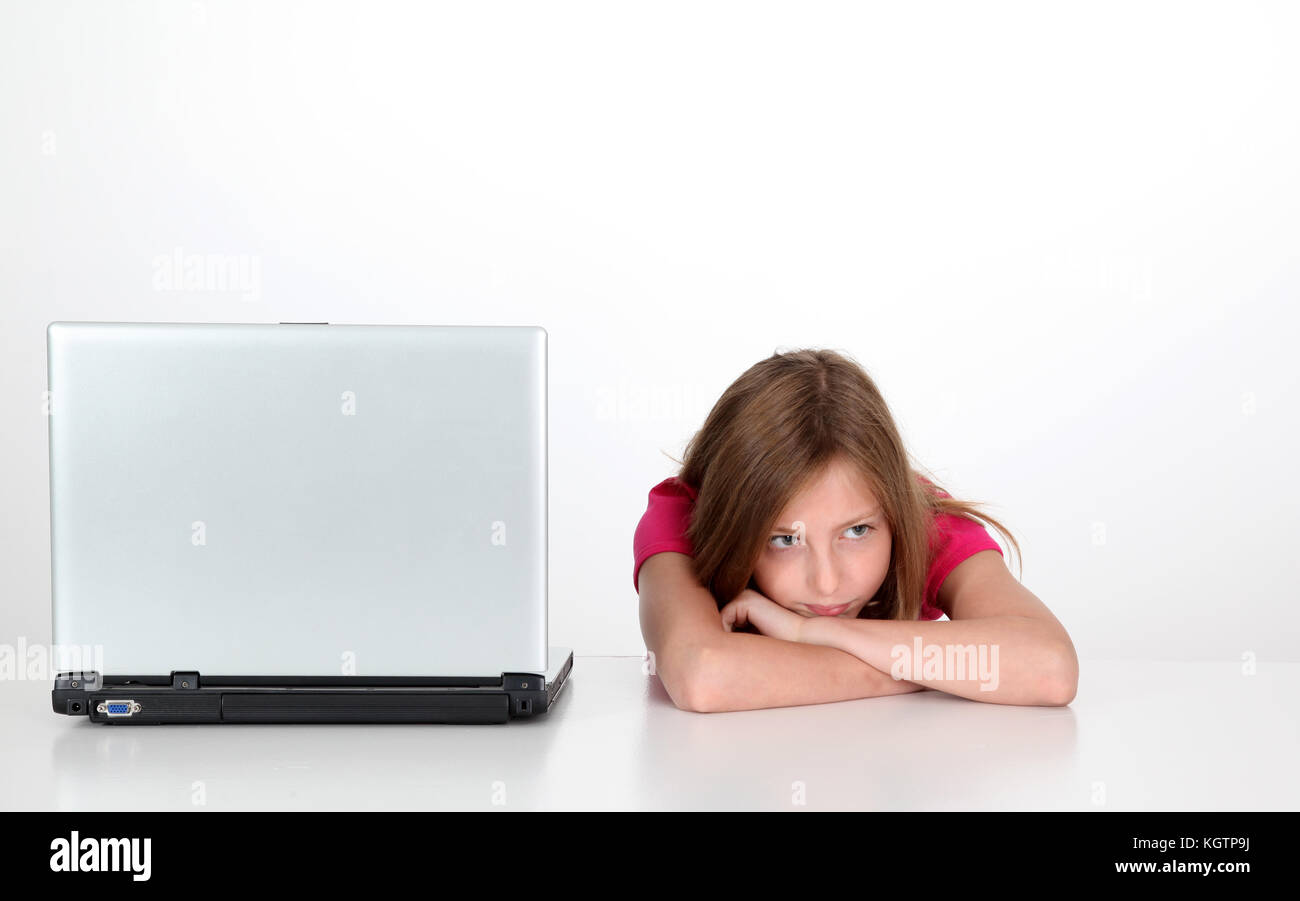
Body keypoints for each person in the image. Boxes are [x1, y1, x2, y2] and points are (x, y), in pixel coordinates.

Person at [634, 348, 1078, 712]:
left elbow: (1049, 666)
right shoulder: (685, 514)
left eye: (857, 532)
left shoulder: (921, 519)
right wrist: (930, 668)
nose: (827, 582)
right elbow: (704, 676)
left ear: (894, 510)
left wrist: (812, 634)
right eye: (785, 539)